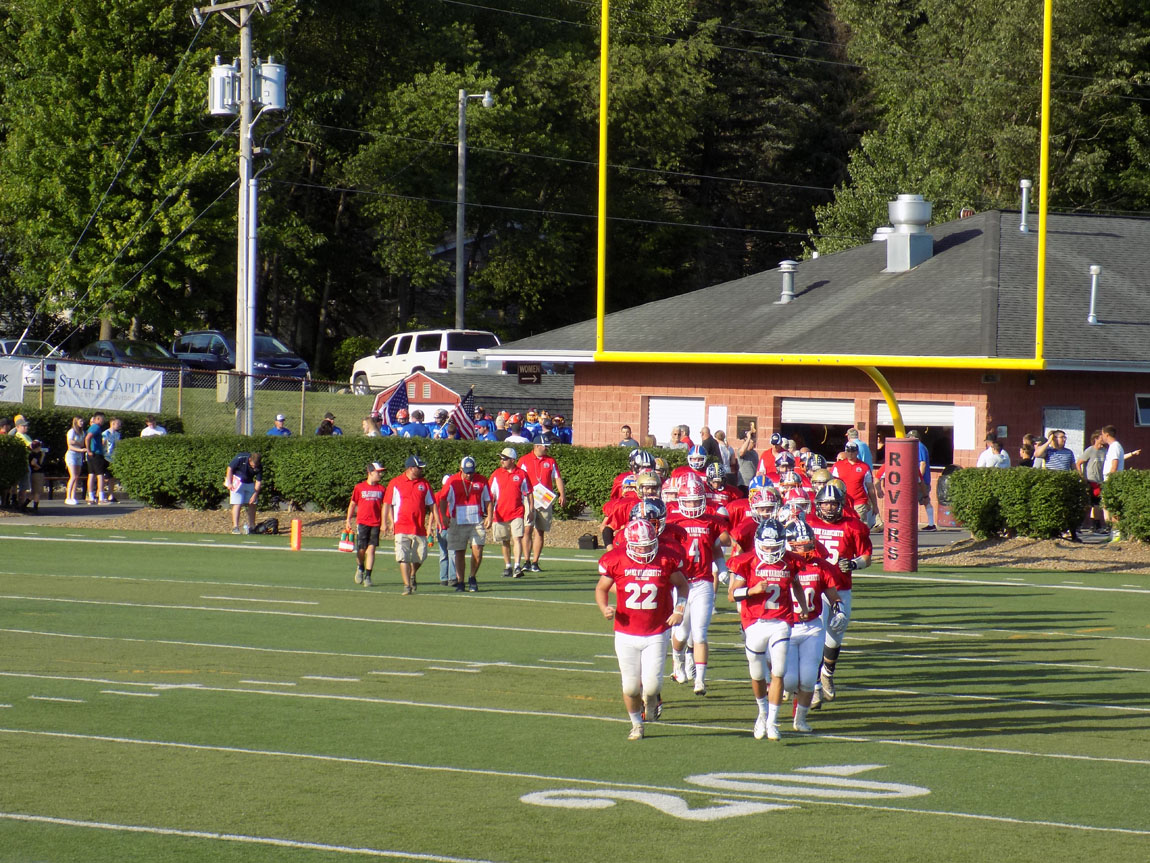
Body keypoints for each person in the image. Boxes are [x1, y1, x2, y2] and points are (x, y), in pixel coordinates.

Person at [595, 518, 689, 740]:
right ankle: (636, 724)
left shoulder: (665, 558)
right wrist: (604, 607)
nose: (645, 550)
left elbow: (683, 585)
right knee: (630, 687)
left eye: (648, 545)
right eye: (640, 546)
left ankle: (653, 699)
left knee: (652, 685)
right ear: (629, 544)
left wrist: (679, 610)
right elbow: (601, 588)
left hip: (656, 631)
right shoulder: (616, 559)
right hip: (625, 632)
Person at [727, 518, 806, 741]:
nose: (770, 551)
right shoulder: (747, 561)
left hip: (781, 621)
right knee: (757, 674)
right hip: (754, 622)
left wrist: (803, 606)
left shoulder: (790, 561)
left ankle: (772, 721)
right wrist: (751, 591)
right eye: (767, 546)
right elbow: (732, 595)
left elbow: (797, 585)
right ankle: (762, 713)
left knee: (778, 671)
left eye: (774, 546)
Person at [805, 483, 872, 709]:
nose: (829, 508)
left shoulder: (853, 526)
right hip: (816, 587)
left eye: (833, 504)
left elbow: (866, 557)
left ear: (840, 505)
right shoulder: (808, 523)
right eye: (825, 504)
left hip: (841, 588)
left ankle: (827, 673)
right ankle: (814, 686)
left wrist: (853, 563)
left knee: (835, 637)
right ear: (818, 504)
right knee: (816, 637)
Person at [667, 474, 730, 695]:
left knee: (700, 633)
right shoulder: (673, 522)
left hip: (703, 582)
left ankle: (700, 681)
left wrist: (722, 568)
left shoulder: (711, 521)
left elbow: (716, 548)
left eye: (696, 501)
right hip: (681, 584)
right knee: (682, 633)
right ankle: (678, 662)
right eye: (689, 501)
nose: (693, 505)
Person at [783, 520, 845, 732]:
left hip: (812, 626)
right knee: (790, 681)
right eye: (801, 546)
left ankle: (800, 719)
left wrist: (840, 610)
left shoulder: (821, 566)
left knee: (809, 678)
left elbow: (833, 595)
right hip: (787, 626)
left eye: (809, 544)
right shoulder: (781, 566)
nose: (807, 549)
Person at [384, 455, 437, 592]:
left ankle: (412, 574)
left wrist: (436, 523)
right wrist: (387, 522)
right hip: (401, 525)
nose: (421, 470)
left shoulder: (424, 484)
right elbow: (387, 504)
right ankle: (407, 585)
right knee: (403, 557)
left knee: (421, 556)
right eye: (419, 468)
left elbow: (432, 504)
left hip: (418, 527)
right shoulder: (395, 482)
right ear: (411, 468)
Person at [441, 456, 492, 592]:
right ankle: (460, 581)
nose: (469, 475)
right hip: (458, 520)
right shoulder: (453, 481)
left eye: (471, 472)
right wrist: (444, 516)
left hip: (476, 519)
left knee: (478, 549)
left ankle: (472, 576)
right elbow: (443, 498)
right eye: (466, 472)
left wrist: (490, 515)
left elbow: (488, 499)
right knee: (459, 551)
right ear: (461, 469)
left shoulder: (482, 480)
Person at [517, 436, 566, 572]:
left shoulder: (550, 461)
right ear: (537, 446)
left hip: (544, 499)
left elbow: (557, 478)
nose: (547, 448)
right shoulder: (524, 460)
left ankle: (535, 562)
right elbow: (518, 478)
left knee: (540, 530)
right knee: (527, 529)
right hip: (529, 498)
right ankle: (526, 560)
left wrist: (562, 494)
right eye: (545, 446)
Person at [489, 446, 533, 578]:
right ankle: (508, 566)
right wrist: (489, 514)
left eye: (505, 459)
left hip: (517, 512)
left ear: (512, 460)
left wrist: (531, 510)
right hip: (500, 513)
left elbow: (529, 492)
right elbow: (491, 495)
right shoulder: (496, 474)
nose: (502, 461)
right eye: (501, 458)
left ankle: (517, 566)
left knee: (517, 538)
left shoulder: (522, 474)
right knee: (505, 540)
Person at [346, 461, 387, 588]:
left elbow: (386, 506)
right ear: (370, 472)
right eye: (378, 472)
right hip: (363, 522)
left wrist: (386, 522)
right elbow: (353, 503)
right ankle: (360, 567)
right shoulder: (359, 487)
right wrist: (348, 520)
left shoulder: (382, 489)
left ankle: (368, 576)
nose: (380, 474)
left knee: (372, 549)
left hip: (375, 523)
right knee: (361, 550)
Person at [831, 441, 880, 528]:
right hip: (843, 502)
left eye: (853, 451)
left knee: (858, 526)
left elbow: (870, 487)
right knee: (843, 526)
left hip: (859, 502)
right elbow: (832, 484)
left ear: (857, 452)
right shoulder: (838, 466)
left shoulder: (864, 467)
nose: (850, 454)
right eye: (848, 451)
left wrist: (875, 505)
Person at [225, 451, 262, 534]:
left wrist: (255, 495)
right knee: (237, 503)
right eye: (253, 465)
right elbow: (230, 468)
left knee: (253, 503)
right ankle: (235, 527)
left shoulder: (259, 466)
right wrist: (229, 482)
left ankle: (252, 526)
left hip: (249, 482)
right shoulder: (240, 458)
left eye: (256, 466)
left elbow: (258, 481)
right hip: (237, 481)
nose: (254, 467)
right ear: (249, 459)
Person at [1078, 430, 1107, 534]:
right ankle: (1087, 524)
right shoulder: (1090, 450)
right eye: (1101, 437)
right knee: (1092, 503)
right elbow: (1079, 463)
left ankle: (1095, 525)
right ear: (1096, 439)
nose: (1103, 439)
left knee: (1097, 504)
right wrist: (1082, 476)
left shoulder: (1104, 451)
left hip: (1101, 480)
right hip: (1091, 480)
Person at [907, 430, 936, 531]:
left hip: (921, 481)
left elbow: (922, 464)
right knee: (925, 500)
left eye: (909, 437)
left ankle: (913, 524)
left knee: (916, 501)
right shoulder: (921, 446)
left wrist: (919, 479)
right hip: (923, 480)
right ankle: (931, 524)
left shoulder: (918, 446)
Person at [1101, 425, 1125, 542]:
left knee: (1113, 507)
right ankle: (1112, 534)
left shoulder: (1115, 447)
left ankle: (1117, 534)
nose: (1101, 437)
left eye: (1102, 434)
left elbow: (1114, 465)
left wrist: (1110, 481)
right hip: (1109, 480)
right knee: (1109, 508)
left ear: (1106, 434)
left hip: (1112, 481)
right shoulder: (1113, 447)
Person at [84, 412, 107, 504]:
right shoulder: (96, 427)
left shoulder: (92, 427)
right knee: (100, 475)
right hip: (96, 454)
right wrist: (89, 450)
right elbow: (88, 438)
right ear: (97, 419)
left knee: (91, 474)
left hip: (92, 454)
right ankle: (101, 498)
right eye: (102, 419)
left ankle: (91, 497)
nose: (103, 421)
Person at [65, 416, 86, 505]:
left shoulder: (82, 432)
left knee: (77, 477)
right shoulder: (72, 431)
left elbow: (82, 443)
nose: (82, 423)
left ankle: (73, 496)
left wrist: (77, 444)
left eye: (82, 421)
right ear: (76, 422)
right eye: (80, 421)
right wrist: (79, 447)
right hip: (72, 454)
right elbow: (70, 444)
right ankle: (68, 497)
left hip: (79, 455)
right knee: (73, 476)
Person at [101, 417, 123, 502]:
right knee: (103, 477)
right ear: (112, 423)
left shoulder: (117, 434)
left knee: (112, 477)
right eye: (118, 423)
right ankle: (100, 494)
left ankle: (110, 495)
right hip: (105, 457)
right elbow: (103, 444)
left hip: (113, 458)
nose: (119, 425)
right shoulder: (105, 433)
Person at [27, 439, 45, 514]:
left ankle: (24, 505)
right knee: (37, 491)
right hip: (37, 474)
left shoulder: (32, 454)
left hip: (34, 473)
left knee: (34, 492)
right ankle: (35, 508)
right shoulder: (35, 454)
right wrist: (39, 467)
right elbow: (33, 462)